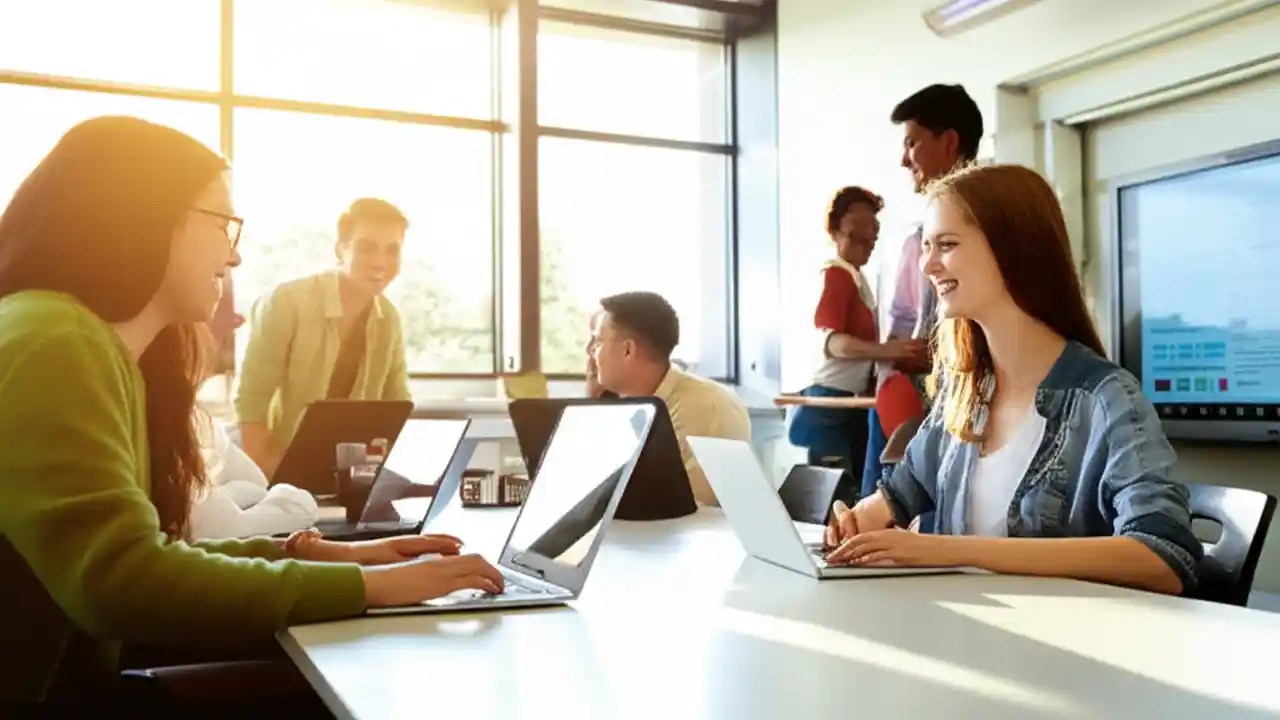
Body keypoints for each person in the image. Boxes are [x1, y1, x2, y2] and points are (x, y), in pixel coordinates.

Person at [0, 117, 503, 709]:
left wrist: (325, 555)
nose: (234, 255)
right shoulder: (55, 339)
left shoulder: (83, 344)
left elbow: (147, 557)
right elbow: (122, 581)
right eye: (222, 223)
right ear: (143, 215)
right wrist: (369, 586)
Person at [823, 164, 1201, 597]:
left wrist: (950, 551)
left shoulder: (1107, 399)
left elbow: (1164, 557)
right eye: (926, 246)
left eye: (946, 244)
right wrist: (858, 520)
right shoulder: (963, 393)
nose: (927, 264)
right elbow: (899, 494)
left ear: (1013, 249)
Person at [863, 84, 986, 498]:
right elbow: (900, 325)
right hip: (911, 405)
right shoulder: (915, 241)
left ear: (949, 142)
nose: (904, 159)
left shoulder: (998, 231)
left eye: (912, 143)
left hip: (959, 409)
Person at [235, 197, 413, 477]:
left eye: (392, 250)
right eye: (366, 248)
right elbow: (251, 403)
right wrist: (273, 480)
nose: (380, 262)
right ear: (341, 250)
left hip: (350, 476)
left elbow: (398, 406)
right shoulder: (286, 302)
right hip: (276, 469)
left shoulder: (389, 319)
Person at [788, 186, 922, 488]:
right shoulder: (835, 274)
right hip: (829, 403)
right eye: (855, 234)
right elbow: (835, 344)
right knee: (838, 497)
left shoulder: (857, 278)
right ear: (835, 230)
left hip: (851, 402)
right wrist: (891, 351)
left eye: (871, 236)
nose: (864, 242)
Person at [590, 291, 750, 506]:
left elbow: (691, 512)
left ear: (628, 350)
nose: (592, 351)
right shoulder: (624, 410)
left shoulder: (710, 407)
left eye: (598, 341)